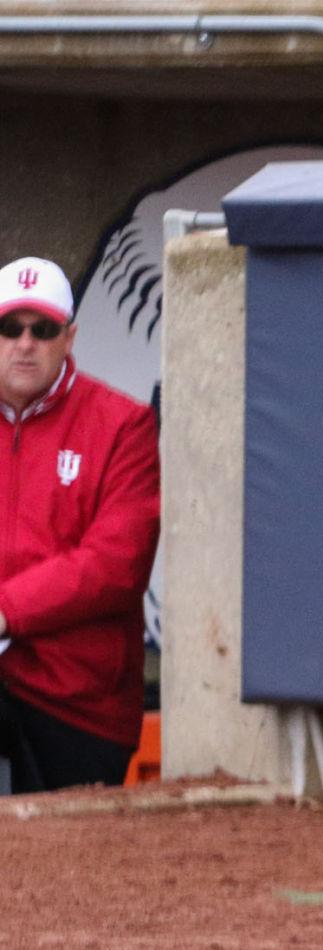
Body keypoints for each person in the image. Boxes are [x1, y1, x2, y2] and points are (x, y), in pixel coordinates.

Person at [0, 256, 160, 794]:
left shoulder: (122, 424)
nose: (24, 343)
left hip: (77, 704)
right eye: (9, 328)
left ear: (68, 338)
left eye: (42, 329)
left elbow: (117, 564)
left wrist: (7, 611)